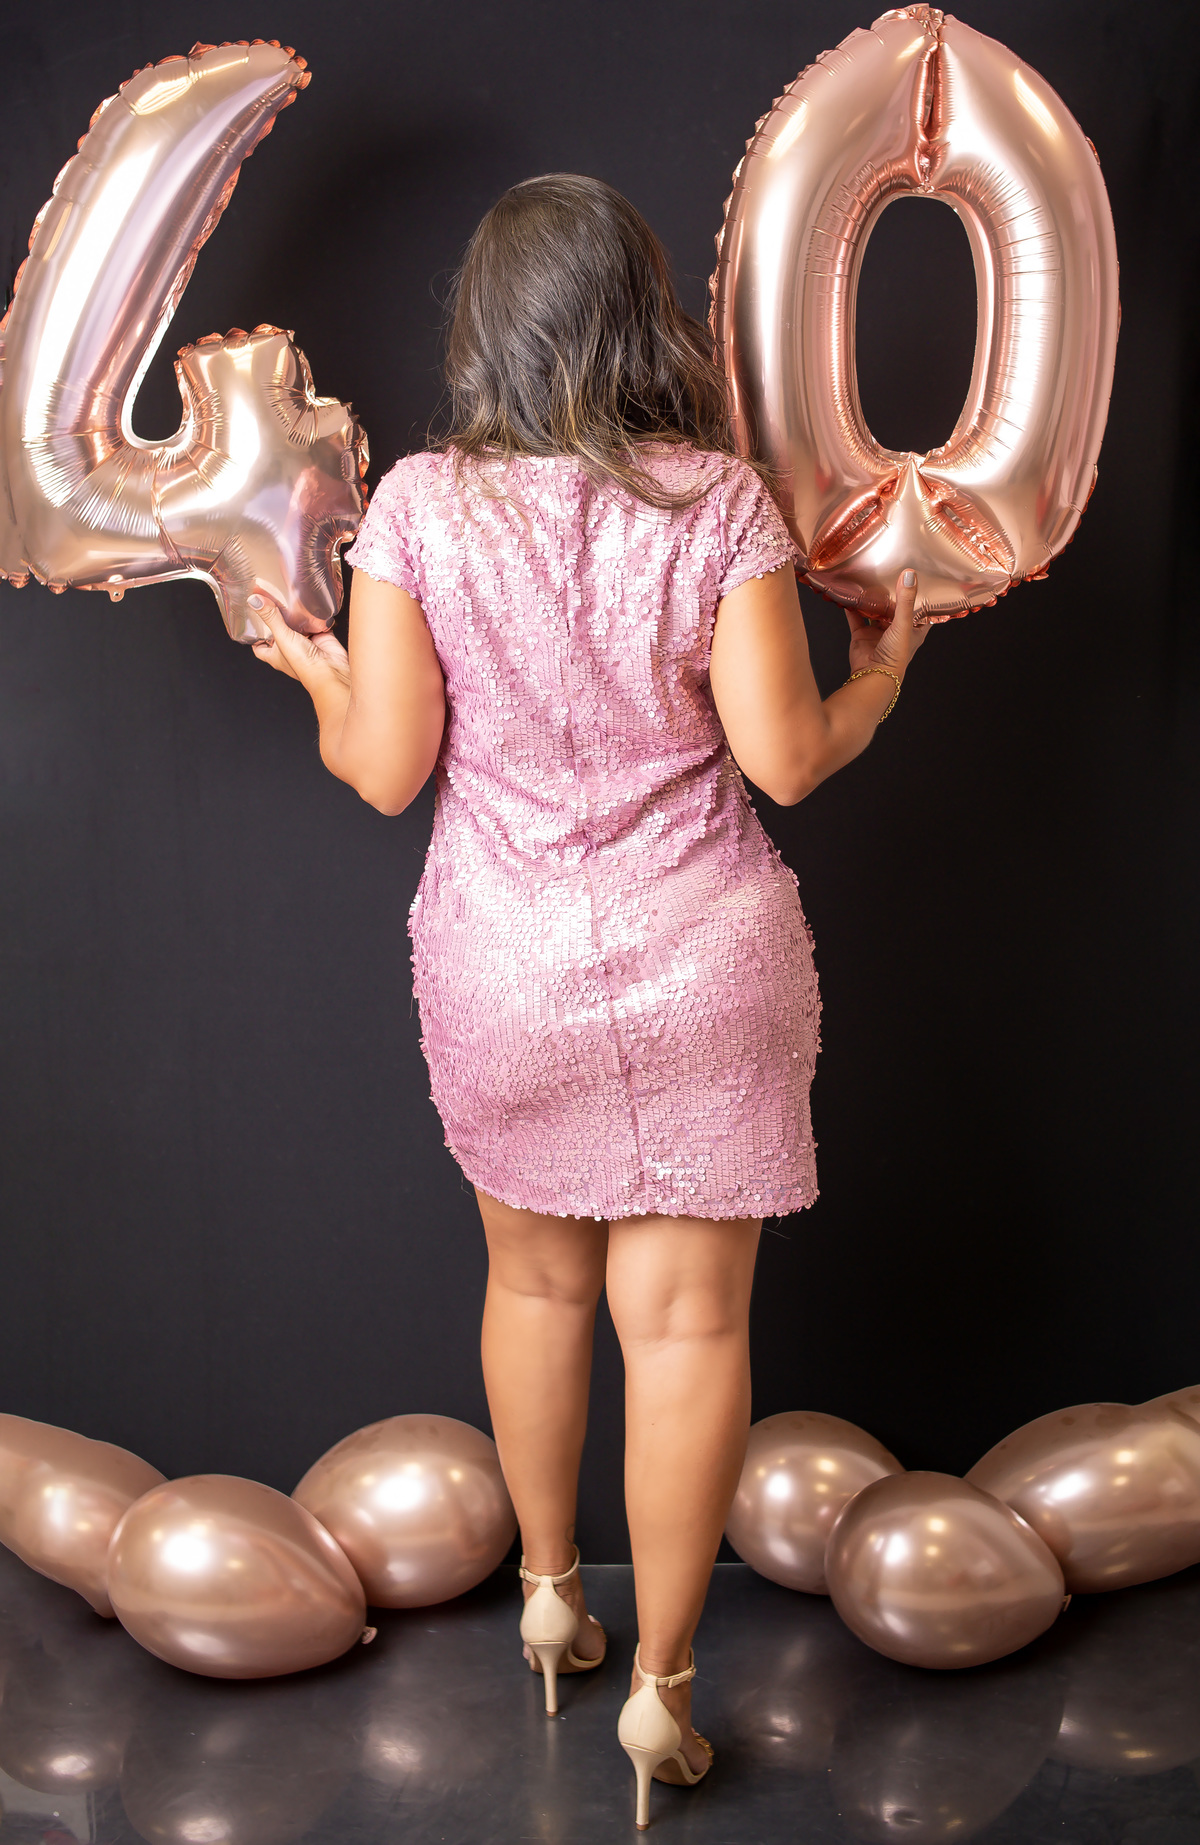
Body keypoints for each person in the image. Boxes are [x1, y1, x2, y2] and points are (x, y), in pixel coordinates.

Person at [251, 173, 929, 1829]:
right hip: (704, 951)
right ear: (646, 319)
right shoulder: (720, 504)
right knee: (687, 1326)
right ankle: (665, 1696)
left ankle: (554, 1597)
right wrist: (885, 672)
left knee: (534, 1289)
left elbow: (390, 769)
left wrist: (333, 679)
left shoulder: (417, 508)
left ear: (484, 333)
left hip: (505, 962)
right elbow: (784, 758)